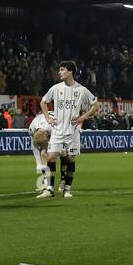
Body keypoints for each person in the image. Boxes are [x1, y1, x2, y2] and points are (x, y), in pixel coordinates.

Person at [37, 60, 98, 199]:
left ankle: (67, 189)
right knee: (51, 157)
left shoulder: (81, 90)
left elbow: (95, 105)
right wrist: (48, 118)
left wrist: (83, 117)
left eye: (62, 69)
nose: (59, 72)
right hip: (58, 130)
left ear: (70, 72)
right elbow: (43, 102)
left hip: (72, 130)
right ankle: (50, 189)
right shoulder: (55, 88)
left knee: (70, 159)